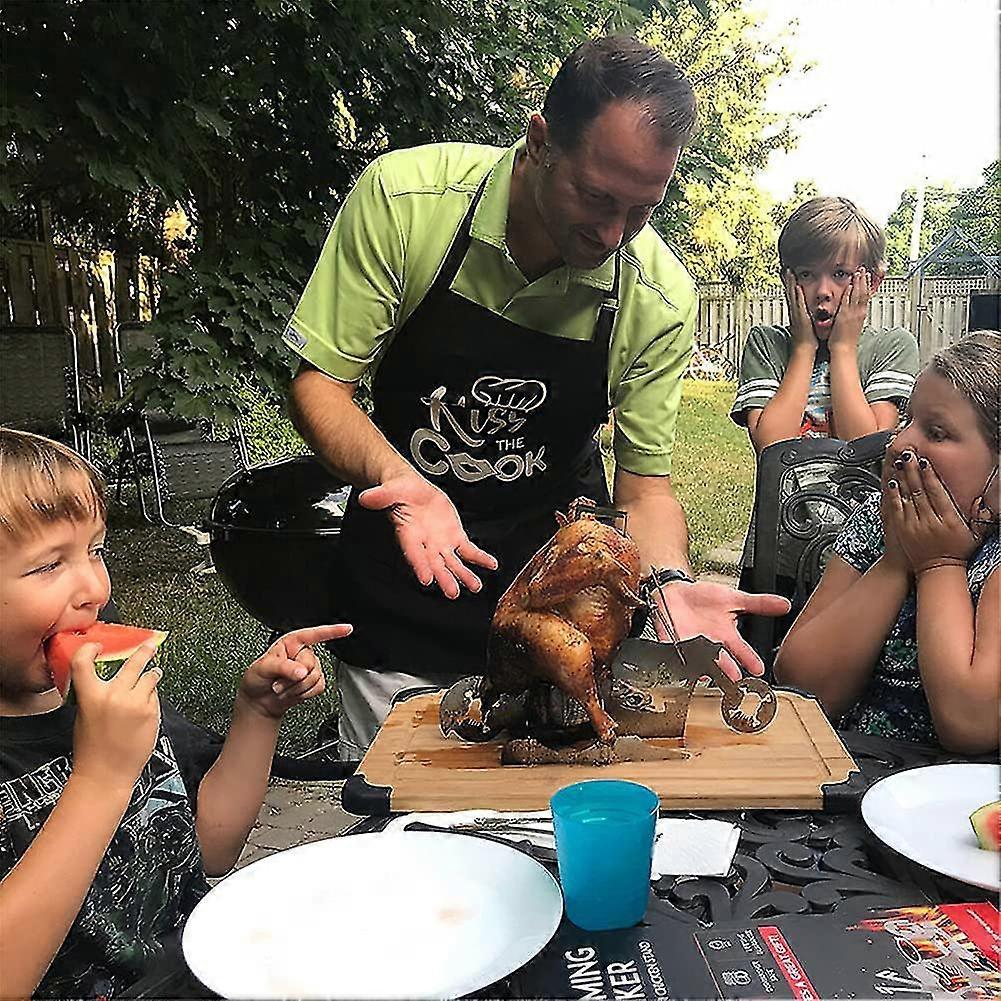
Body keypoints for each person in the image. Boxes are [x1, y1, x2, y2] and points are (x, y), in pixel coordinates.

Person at [284, 34, 788, 759]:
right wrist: (399, 479)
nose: (613, 234)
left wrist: (669, 582)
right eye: (597, 198)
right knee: (408, 815)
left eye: (641, 211)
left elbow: (644, 488)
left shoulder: (656, 295)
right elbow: (318, 384)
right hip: (404, 583)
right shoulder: (407, 203)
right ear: (540, 141)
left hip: (566, 618)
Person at [0, 429, 350, 999]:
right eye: (48, 566)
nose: (94, 588)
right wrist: (101, 777)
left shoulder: (107, 695)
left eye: (95, 550)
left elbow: (210, 846)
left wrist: (258, 716)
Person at [774, 331, 1000, 753]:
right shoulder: (878, 522)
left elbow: (971, 723)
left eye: (937, 432)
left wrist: (939, 564)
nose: (901, 443)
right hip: (848, 769)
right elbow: (799, 685)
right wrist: (896, 562)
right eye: (906, 421)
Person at [730, 196, 920, 601]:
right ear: (787, 280)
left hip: (860, 561)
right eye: (806, 274)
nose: (822, 292)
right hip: (775, 558)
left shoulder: (892, 347)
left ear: (873, 281)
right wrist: (803, 349)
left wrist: (843, 350)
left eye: (840, 274)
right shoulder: (768, 345)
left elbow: (865, 448)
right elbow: (772, 446)